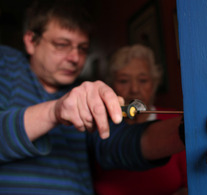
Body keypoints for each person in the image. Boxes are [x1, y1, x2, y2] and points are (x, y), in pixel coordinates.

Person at [0, 1, 185, 194]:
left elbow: (117, 144)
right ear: (31, 41)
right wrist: (54, 111)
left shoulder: (82, 88)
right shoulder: (5, 63)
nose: (75, 58)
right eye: (62, 45)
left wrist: (183, 131)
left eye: (82, 48)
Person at [93, 44, 188, 195]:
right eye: (124, 81)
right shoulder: (100, 127)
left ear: (154, 83)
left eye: (143, 80)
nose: (134, 89)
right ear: (111, 86)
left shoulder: (176, 123)